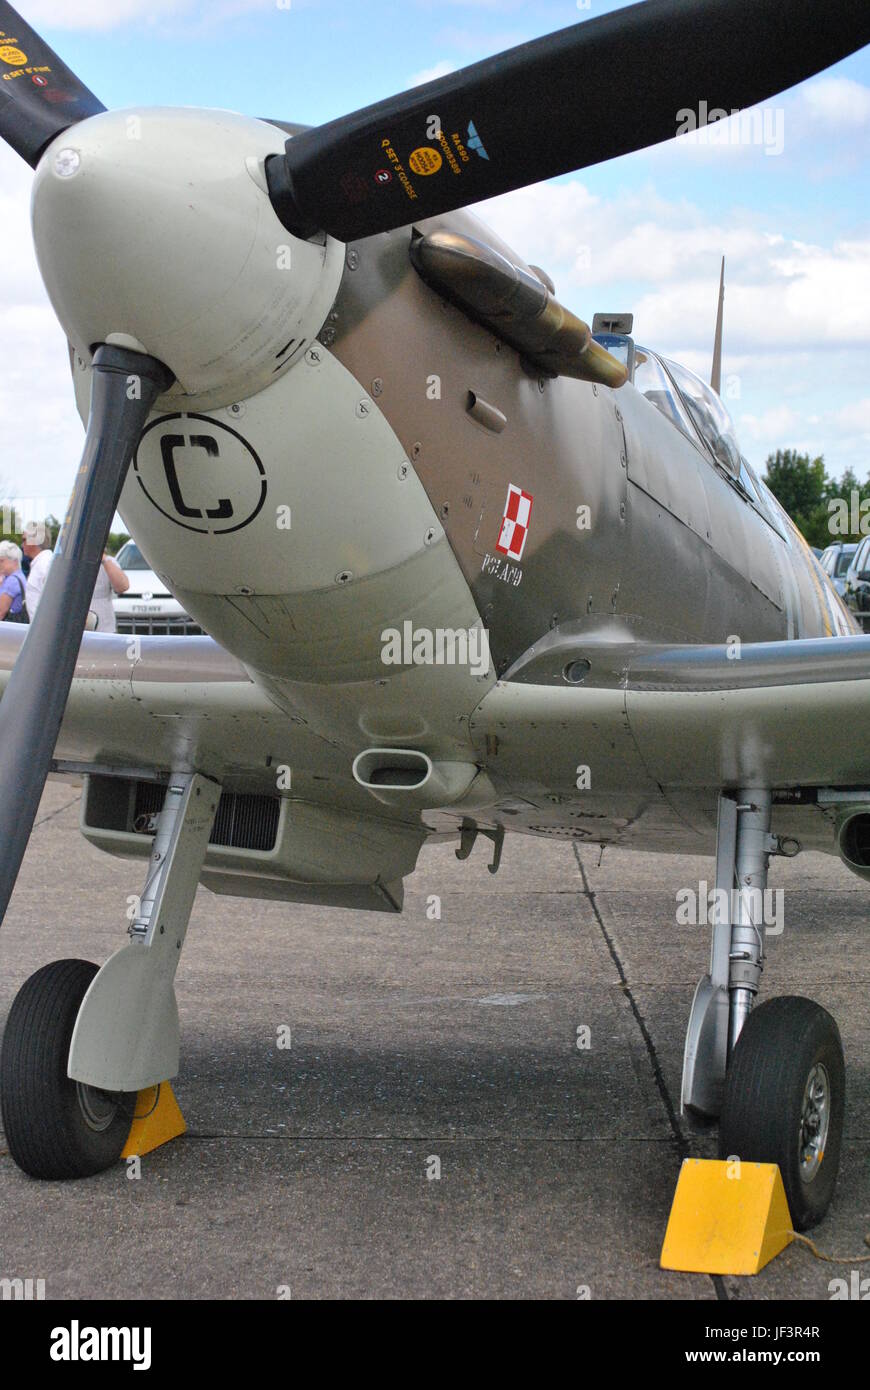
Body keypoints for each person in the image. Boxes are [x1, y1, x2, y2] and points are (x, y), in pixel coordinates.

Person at [89, 552, 130, 632]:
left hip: (104, 629)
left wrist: (104, 559)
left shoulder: (109, 562)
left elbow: (123, 587)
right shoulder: (67, 561)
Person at [22, 521, 53, 621]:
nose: (22, 544)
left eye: (24, 540)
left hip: (45, 630)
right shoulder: (43, 563)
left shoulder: (45, 565)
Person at [0, 541, 29, 623]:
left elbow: (1, 611)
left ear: (15, 561)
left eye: (1, 561)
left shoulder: (12, 581)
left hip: (8, 628)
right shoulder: (19, 576)